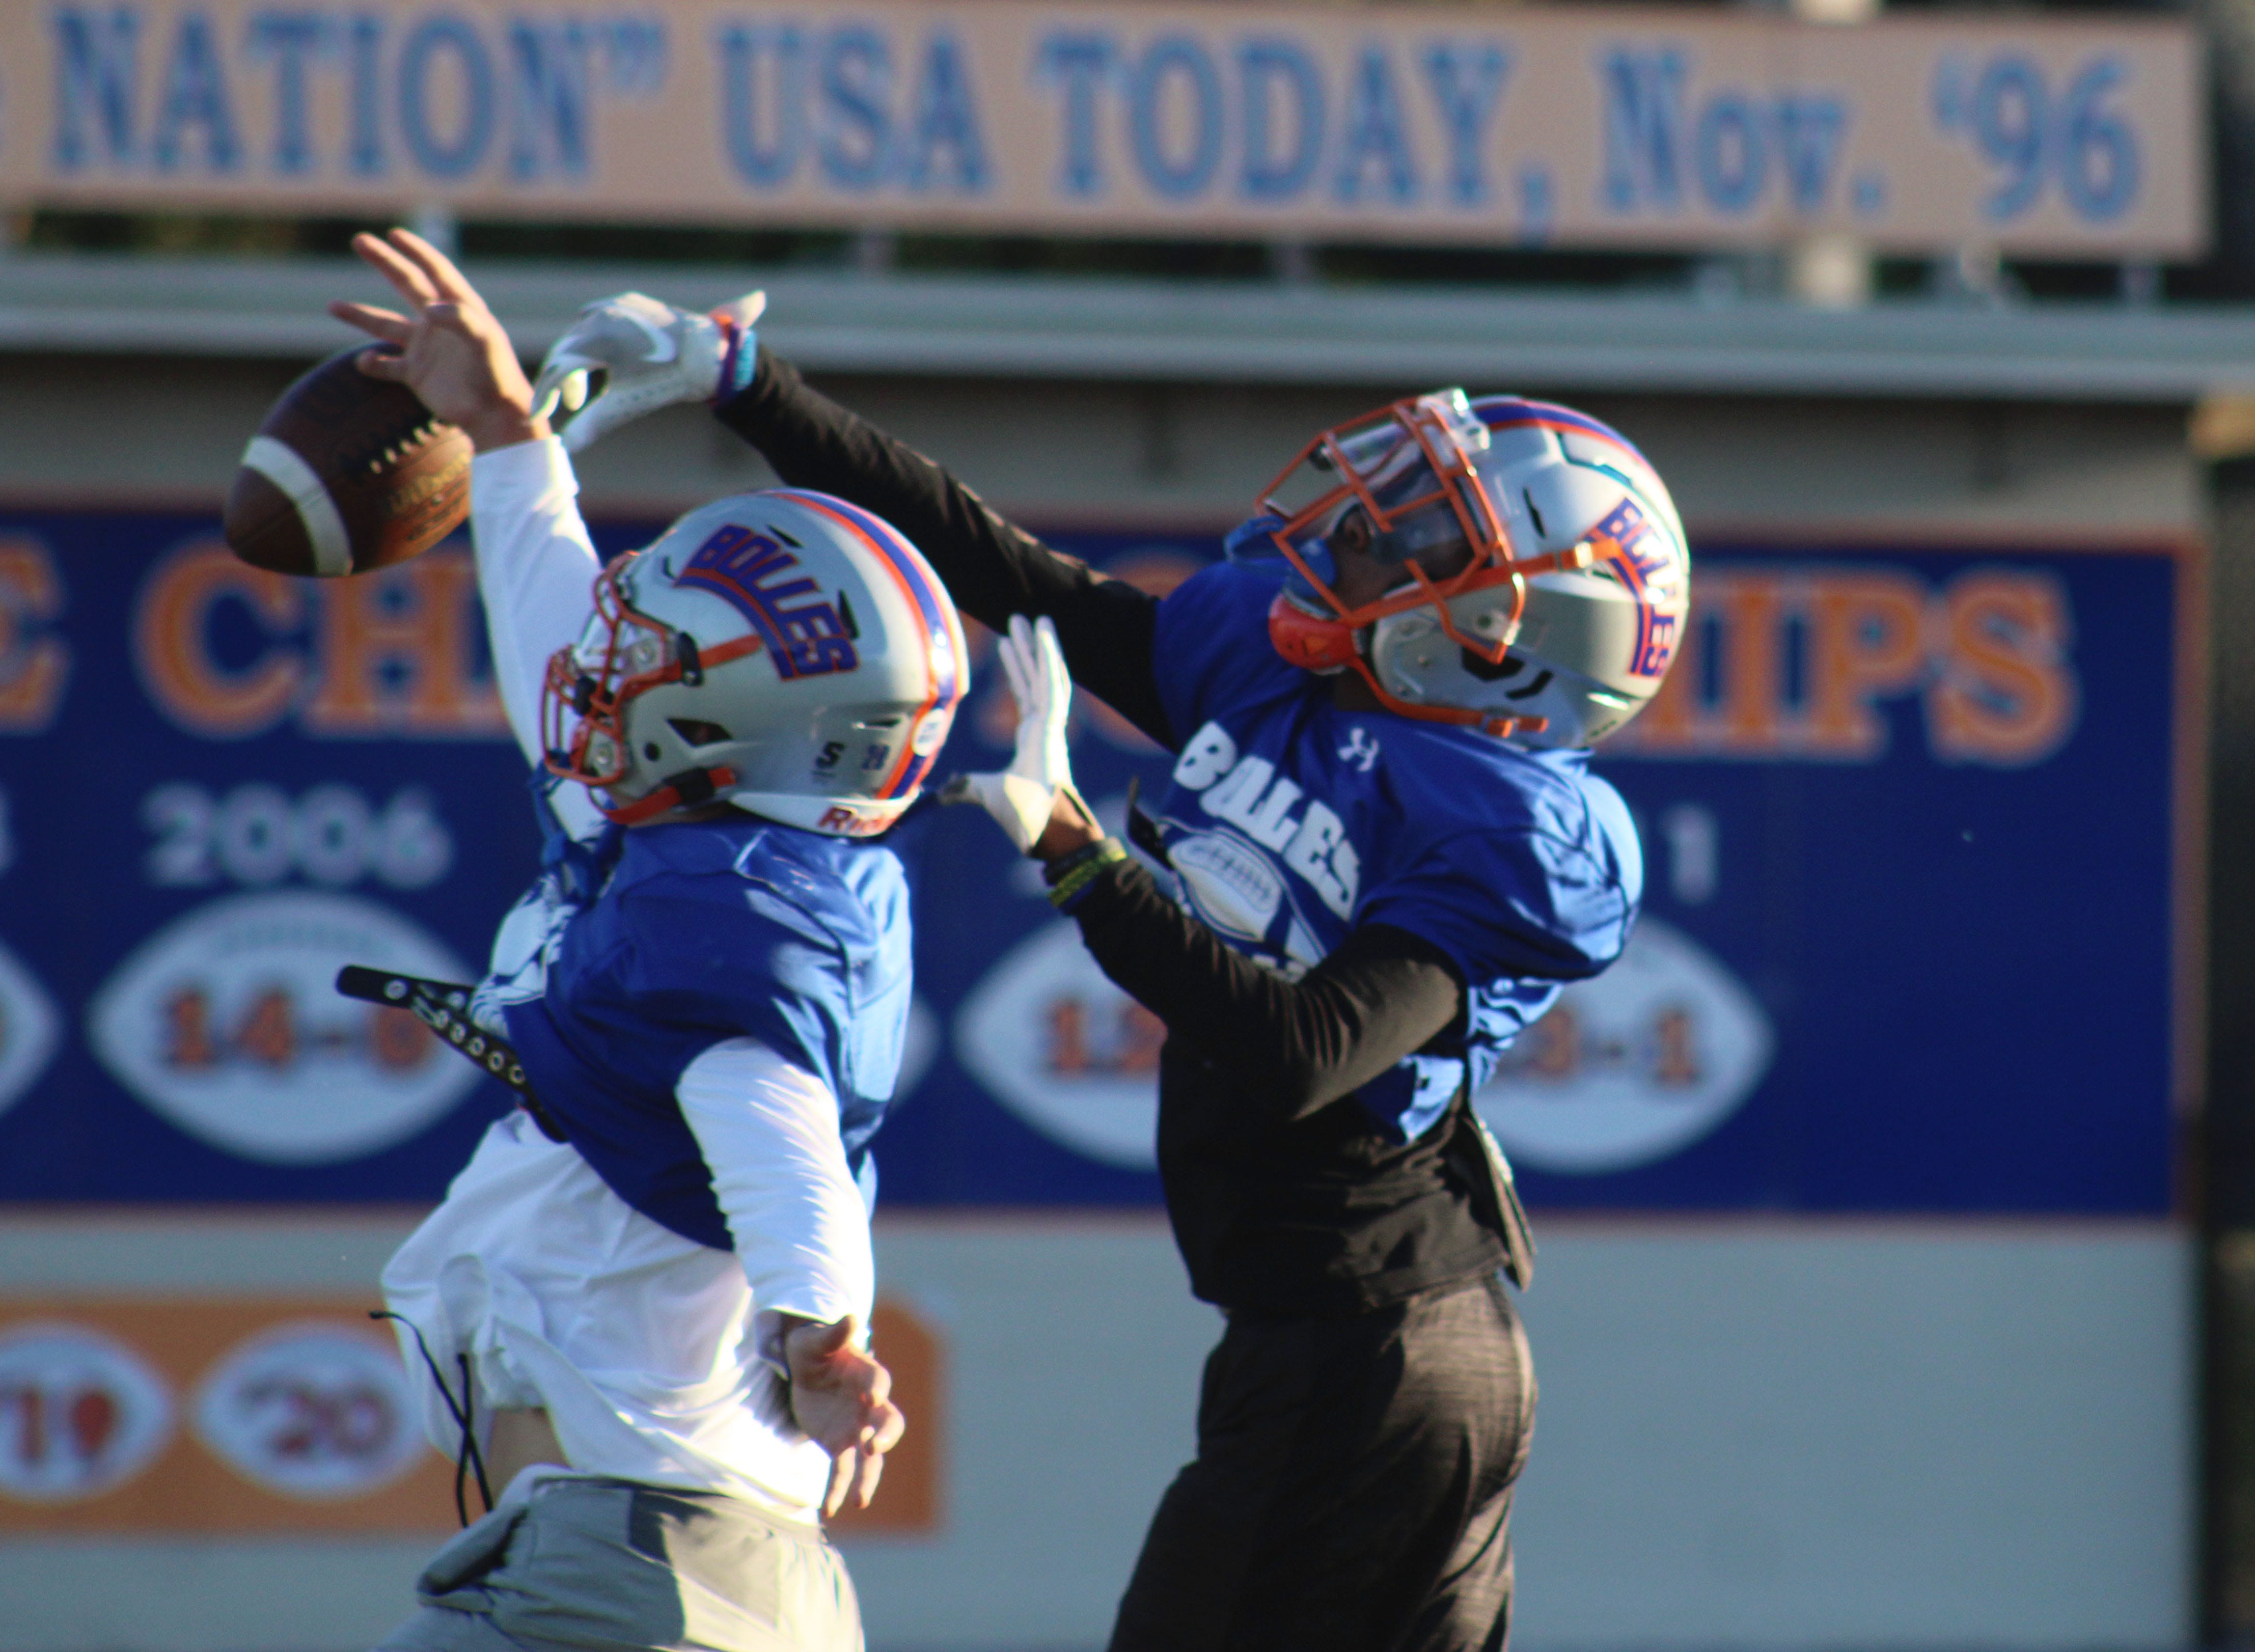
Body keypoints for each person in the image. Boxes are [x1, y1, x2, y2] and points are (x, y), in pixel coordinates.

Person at [535, 290, 1690, 1651]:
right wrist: (747, 385)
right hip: (1323, 1343)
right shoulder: (1295, 682)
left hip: (1382, 1350)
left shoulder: (1502, 822)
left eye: (1425, 538)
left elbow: (1304, 1049)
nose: (1363, 539)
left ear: (1522, 634)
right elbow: (1010, 572)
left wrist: (1085, 858)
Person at [326, 230, 967, 1652]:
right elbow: (546, 635)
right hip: (648, 1552)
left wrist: (823, 1332)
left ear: (738, 723)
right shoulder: (688, 834)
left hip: (638, 1566)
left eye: (652, 651)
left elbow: (775, 1120)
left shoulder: (721, 926)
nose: (606, 662)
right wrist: (504, 435)